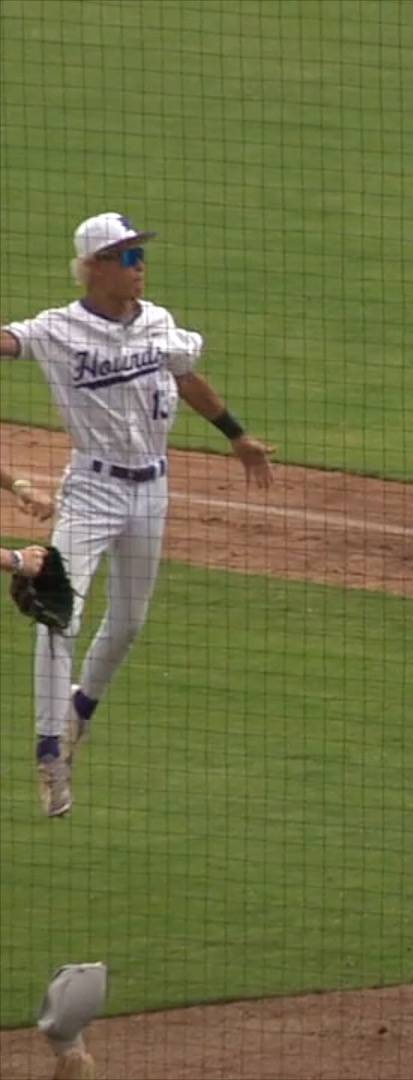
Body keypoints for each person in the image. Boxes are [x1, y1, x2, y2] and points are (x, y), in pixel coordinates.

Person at [1, 212, 276, 818]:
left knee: (127, 622)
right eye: (127, 257)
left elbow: (185, 377)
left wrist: (236, 435)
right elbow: (6, 341)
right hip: (91, 490)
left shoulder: (158, 323)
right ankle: (49, 752)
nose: (140, 265)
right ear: (95, 267)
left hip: (153, 488)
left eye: (139, 255)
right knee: (56, 612)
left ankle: (79, 713)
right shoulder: (57, 329)